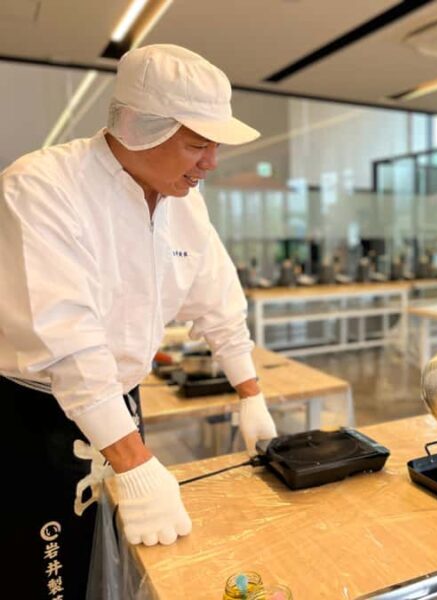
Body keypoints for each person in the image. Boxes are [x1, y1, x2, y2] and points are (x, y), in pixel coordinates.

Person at [0, 45, 278, 598]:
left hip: (123, 400)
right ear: (139, 128)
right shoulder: (42, 187)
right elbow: (67, 344)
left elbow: (217, 295)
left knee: (125, 554)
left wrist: (250, 391)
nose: (211, 162)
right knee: (49, 568)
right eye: (197, 144)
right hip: (36, 412)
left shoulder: (184, 202)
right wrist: (137, 464)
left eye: (214, 144)